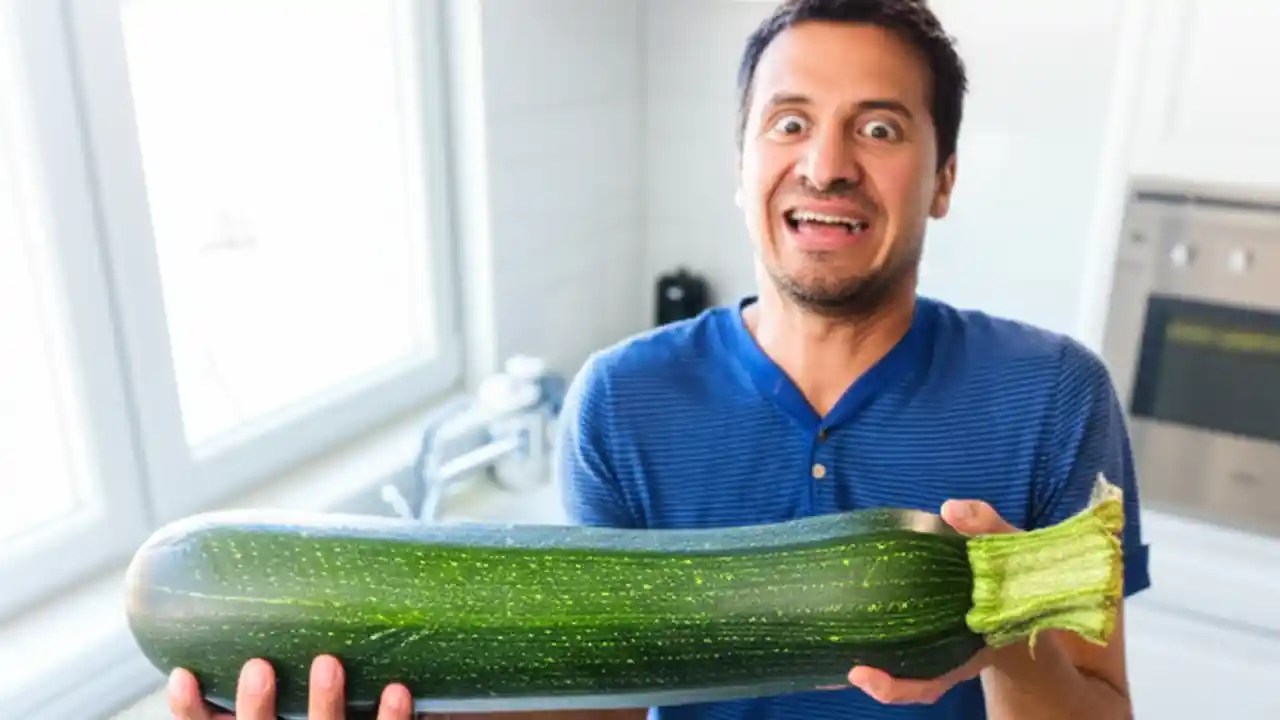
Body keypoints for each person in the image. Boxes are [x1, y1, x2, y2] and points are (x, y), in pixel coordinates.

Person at [167, 0, 1150, 718]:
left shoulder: (1051, 395)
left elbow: (1100, 708)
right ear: (740, 169)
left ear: (940, 180)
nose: (825, 163)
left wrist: (1001, 639)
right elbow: (594, 698)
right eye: (789, 121)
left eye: (879, 127)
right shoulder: (621, 399)